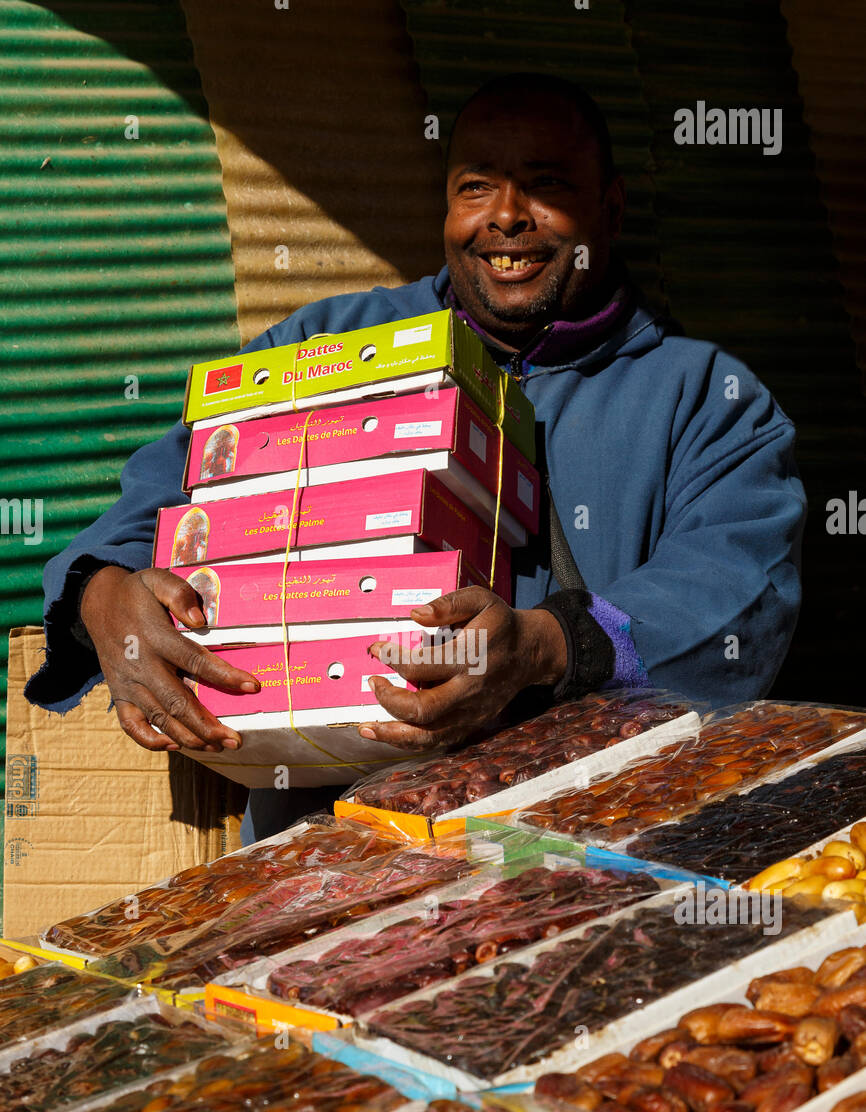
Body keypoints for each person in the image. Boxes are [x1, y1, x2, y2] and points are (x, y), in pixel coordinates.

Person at [26, 73, 805, 844]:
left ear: (611, 206)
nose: (504, 216)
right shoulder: (324, 349)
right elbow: (167, 493)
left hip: (594, 854)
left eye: (546, 185)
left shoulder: (706, 397)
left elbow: (739, 592)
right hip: (331, 860)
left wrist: (544, 647)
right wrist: (106, 602)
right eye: (475, 187)